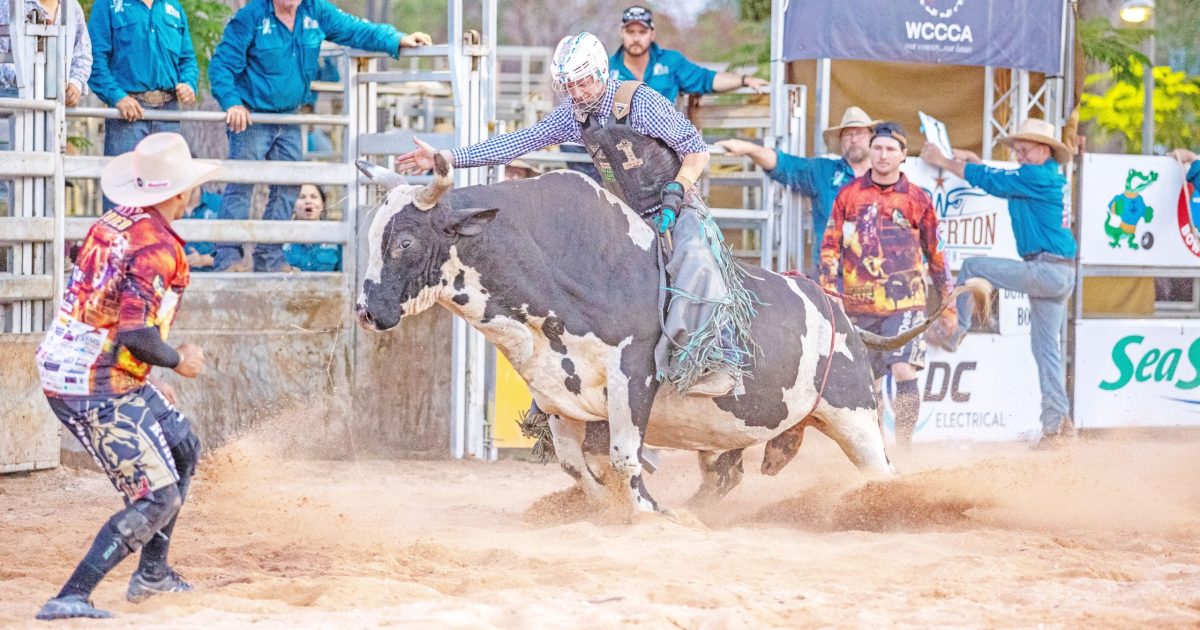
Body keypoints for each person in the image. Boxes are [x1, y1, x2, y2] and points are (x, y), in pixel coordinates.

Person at [396, 32, 753, 398]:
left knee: (696, 261)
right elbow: (518, 142)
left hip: (677, 205)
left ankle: (722, 360)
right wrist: (447, 158)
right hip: (627, 215)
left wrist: (676, 193)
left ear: (601, 73)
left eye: (583, 82)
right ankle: (576, 378)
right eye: (569, 86)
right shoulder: (573, 116)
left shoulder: (641, 102)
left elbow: (696, 149)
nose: (578, 93)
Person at [32, 132, 219, 620]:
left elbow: (106, 306)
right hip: (94, 381)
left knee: (182, 447)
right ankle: (72, 595)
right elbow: (136, 332)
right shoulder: (158, 246)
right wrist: (177, 360)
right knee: (157, 497)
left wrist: (143, 372)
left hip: (93, 366)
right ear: (182, 193)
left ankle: (153, 573)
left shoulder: (115, 221)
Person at [207, 0, 430, 272]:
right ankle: (228, 260)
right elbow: (221, 65)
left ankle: (269, 259)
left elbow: (355, 29)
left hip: (290, 116)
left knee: (289, 186)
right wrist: (232, 103)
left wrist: (396, 39)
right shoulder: (252, 15)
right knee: (241, 183)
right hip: (252, 116)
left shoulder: (315, 10)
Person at [920, 118, 1077, 449]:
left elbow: (994, 180)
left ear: (1044, 149)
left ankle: (956, 330)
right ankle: (1057, 427)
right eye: (1017, 149)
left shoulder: (1035, 176)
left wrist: (944, 161)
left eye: (1025, 149)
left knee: (973, 266)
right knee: (1046, 350)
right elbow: (1003, 181)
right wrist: (974, 162)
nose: (1019, 154)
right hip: (1058, 272)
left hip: (1045, 269)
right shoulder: (1046, 176)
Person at [821, 122, 953, 448]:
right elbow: (830, 248)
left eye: (891, 149)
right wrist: (829, 293)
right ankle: (879, 453)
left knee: (903, 368)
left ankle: (904, 446)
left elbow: (936, 255)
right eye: (878, 148)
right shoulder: (849, 195)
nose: (883, 155)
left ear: (903, 155)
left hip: (905, 302)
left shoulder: (918, 199)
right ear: (870, 151)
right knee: (870, 384)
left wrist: (948, 305)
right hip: (859, 303)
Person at [716, 106, 878, 274]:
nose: (854, 139)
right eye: (847, 135)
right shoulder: (824, 172)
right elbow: (784, 164)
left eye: (859, 133)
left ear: (872, 137)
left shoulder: (888, 175)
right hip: (833, 276)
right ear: (841, 141)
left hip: (879, 274)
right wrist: (748, 149)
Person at [87, 0, 197, 209]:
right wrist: (117, 97)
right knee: (121, 188)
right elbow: (95, 59)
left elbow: (187, 59)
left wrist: (188, 83)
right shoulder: (107, 5)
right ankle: (119, 232)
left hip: (168, 112)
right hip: (127, 114)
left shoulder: (174, 7)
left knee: (167, 191)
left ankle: (158, 232)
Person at [609, 6, 768, 104]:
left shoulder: (671, 61)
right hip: (621, 143)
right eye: (630, 32)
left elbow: (706, 79)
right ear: (621, 32)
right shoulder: (607, 67)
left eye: (642, 32)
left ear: (652, 34)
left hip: (661, 142)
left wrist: (744, 80)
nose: (636, 38)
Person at [0, 0, 91, 102]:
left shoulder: (72, 7)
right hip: (10, 100)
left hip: (57, 102)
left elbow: (83, 53)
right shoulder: (7, 4)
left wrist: (75, 83)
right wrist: (22, 79)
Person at [282, 183, 340, 271]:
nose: (308, 201)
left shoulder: (336, 237)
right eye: (301, 197)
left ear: (323, 204)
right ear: (292, 204)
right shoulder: (282, 237)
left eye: (314, 197)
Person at [183, 187, 222, 271]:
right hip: (174, 276)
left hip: (212, 276)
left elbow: (233, 254)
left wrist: (203, 260)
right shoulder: (167, 205)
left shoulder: (219, 203)